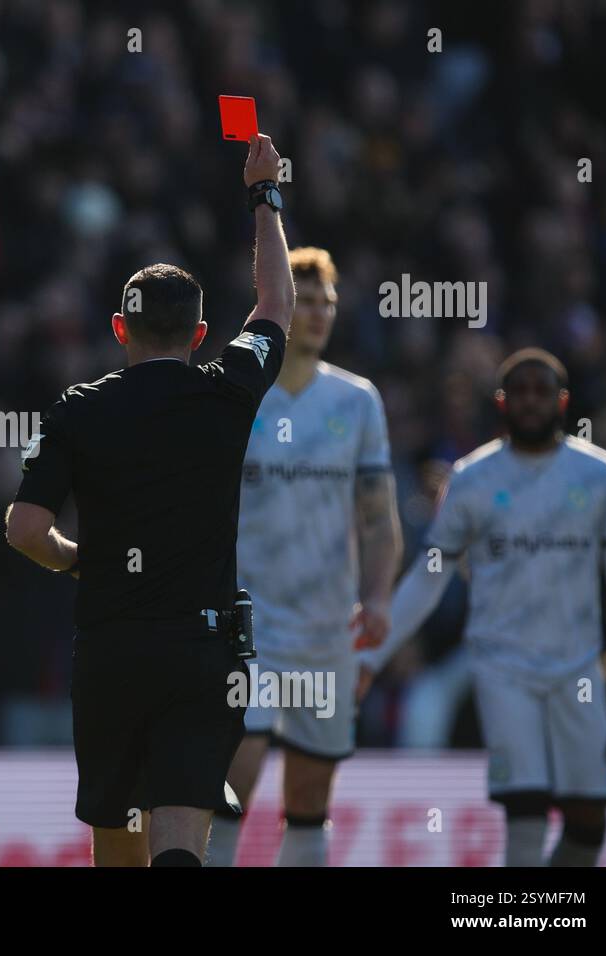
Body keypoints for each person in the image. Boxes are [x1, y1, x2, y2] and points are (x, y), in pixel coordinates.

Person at [5, 135, 294, 866]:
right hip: (202, 648)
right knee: (180, 835)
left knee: (117, 838)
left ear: (118, 329)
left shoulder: (79, 408)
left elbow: (24, 527)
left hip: (113, 646)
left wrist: (76, 562)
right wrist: (264, 193)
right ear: (200, 334)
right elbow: (276, 304)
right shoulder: (225, 390)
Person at [362, 349, 606, 866]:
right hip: (502, 666)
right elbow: (429, 578)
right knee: (526, 816)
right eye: (520, 391)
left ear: (563, 401)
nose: (531, 401)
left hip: (577, 667)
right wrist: (371, 658)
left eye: (542, 391)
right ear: (502, 402)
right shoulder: (472, 478)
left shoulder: (598, 475)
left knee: (589, 820)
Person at [205, 247, 402, 867]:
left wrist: (375, 595)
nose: (317, 314)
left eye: (327, 303)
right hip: (247, 627)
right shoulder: (237, 396)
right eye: (305, 301)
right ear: (282, 307)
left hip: (325, 628)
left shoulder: (357, 401)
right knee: (237, 775)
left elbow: (379, 519)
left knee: (312, 793)